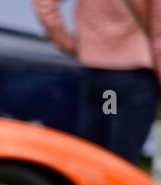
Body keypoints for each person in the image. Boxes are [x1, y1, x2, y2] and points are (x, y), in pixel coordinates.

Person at [35, 0, 161, 164]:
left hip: (96, 75)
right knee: (120, 159)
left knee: (92, 155)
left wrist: (70, 43)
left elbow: (44, 4)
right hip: (130, 79)